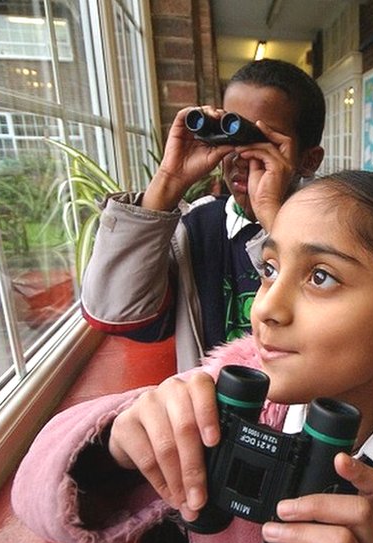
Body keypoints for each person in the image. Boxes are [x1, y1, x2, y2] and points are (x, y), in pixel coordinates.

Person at [11, 171, 373, 543]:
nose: (264, 309)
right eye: (270, 270)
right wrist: (114, 445)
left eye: (321, 277)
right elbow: (36, 494)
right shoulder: (227, 399)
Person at [80, 59, 326, 371]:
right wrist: (168, 180)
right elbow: (114, 311)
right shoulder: (197, 228)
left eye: (263, 142)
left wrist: (273, 219)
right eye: (231, 136)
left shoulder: (333, 235)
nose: (239, 156)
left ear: (308, 160)